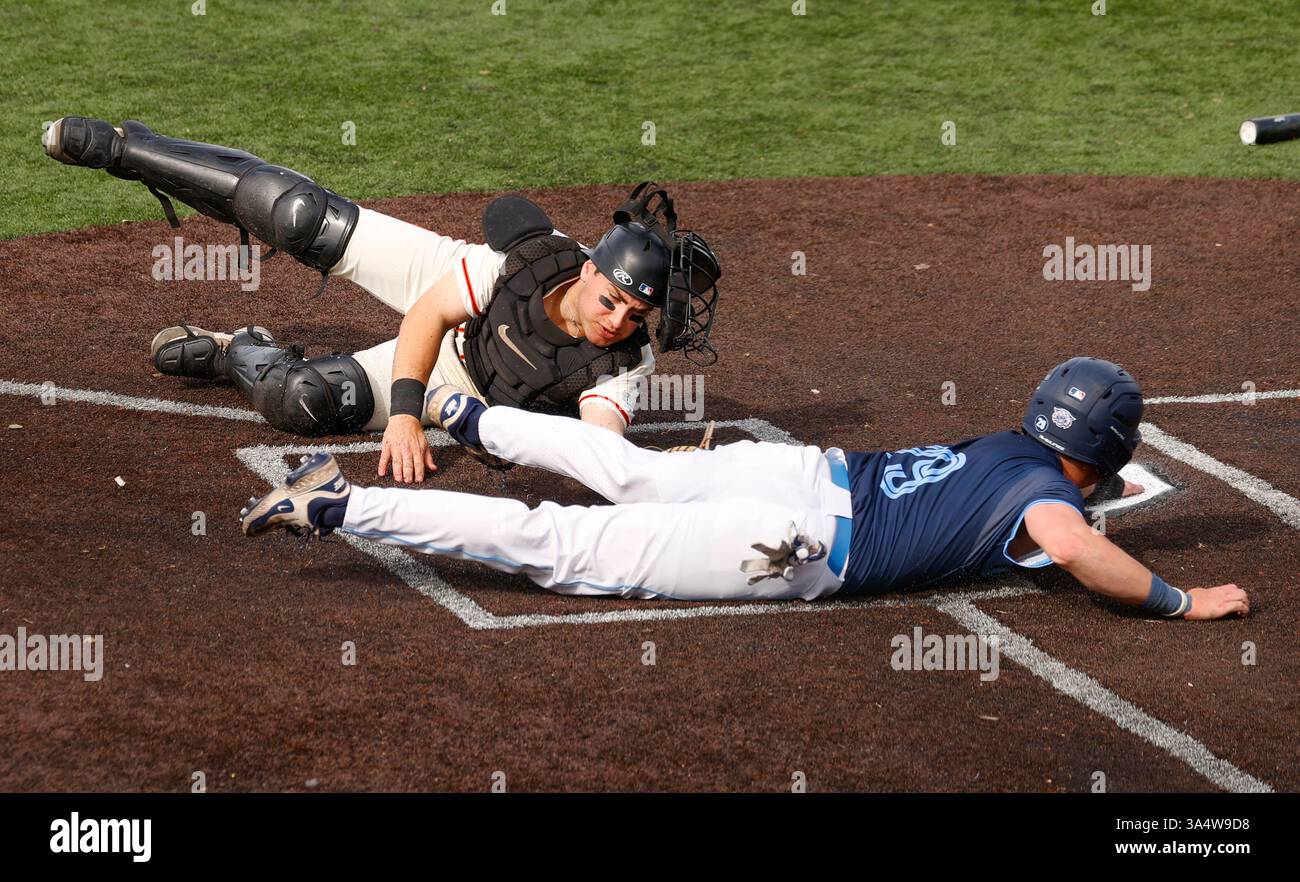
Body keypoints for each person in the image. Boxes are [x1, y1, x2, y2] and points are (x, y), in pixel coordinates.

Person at [236, 357, 1250, 620]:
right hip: (791, 546)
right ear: (1105, 449)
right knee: (563, 547)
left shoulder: (1001, 446)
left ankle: (473, 418)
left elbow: (1053, 501)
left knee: (626, 471)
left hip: (795, 469)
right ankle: (336, 504)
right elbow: (1070, 543)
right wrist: (1180, 597)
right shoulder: (1048, 496)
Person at [41, 117, 721, 482]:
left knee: (302, 400)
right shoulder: (530, 261)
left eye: (637, 316)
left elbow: (601, 445)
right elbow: (430, 312)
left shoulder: (623, 364)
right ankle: (129, 148)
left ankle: (237, 351)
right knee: (305, 216)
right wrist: (402, 417)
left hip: (468, 387)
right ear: (590, 270)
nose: (619, 321)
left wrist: (652, 474)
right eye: (612, 302)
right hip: (448, 286)